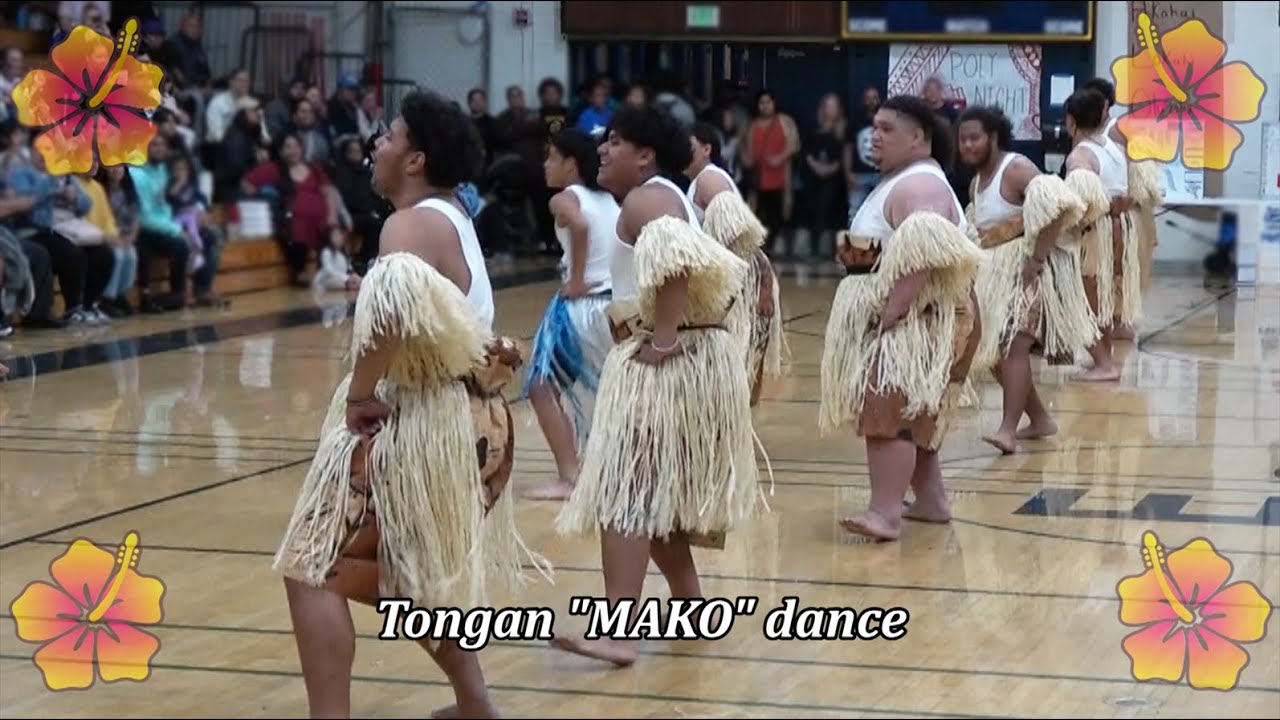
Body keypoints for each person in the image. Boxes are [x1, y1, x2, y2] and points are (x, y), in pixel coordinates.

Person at [271, 89, 551, 720]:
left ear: (417, 157)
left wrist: (361, 393)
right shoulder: (451, 215)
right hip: (471, 418)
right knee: (418, 578)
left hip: (425, 419)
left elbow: (390, 313)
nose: (377, 144)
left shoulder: (409, 222)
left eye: (389, 135)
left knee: (313, 567)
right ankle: (476, 705)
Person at [552, 104, 765, 666]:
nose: (602, 149)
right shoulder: (663, 194)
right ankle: (690, 610)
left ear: (645, 154)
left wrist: (663, 338)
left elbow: (675, 265)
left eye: (615, 141)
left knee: (624, 495)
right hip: (692, 356)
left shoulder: (649, 197)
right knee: (656, 496)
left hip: (671, 359)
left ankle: (619, 632)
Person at [818, 95, 984, 542]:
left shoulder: (920, 187)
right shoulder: (909, 180)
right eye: (874, 126)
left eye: (888, 128)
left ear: (919, 138)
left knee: (887, 411)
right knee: (914, 414)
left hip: (917, 320)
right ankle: (931, 502)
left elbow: (920, 255)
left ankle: (885, 513)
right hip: (923, 318)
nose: (876, 135)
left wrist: (890, 315)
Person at [956, 105, 1096, 455]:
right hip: (996, 274)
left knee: (1012, 347)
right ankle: (1039, 418)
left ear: (993, 137)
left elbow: (1059, 206)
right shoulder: (976, 183)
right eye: (962, 140)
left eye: (974, 138)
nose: (968, 146)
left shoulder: (1015, 168)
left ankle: (1007, 430)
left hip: (1028, 272)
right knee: (992, 353)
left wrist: (1036, 258)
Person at [522, 128, 620, 501]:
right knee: (604, 388)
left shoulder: (564, 199)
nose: (545, 165)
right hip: (612, 306)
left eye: (551, 158)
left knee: (541, 385)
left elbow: (578, 226)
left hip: (582, 308)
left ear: (571, 165)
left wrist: (577, 279)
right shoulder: (611, 200)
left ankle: (570, 476)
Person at [686, 121, 787, 406]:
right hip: (732, 288)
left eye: (689, 146)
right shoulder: (700, 181)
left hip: (743, 291)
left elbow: (746, 242)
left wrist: (763, 288)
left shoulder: (710, 181)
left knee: (737, 385)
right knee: (734, 386)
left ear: (707, 149)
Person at [1061, 88, 1138, 382]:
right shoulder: (1113, 148)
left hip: (1095, 234)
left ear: (1071, 121)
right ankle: (1102, 359)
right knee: (1103, 298)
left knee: (1086, 299)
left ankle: (1104, 364)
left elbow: (1084, 204)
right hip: (1119, 228)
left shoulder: (1081, 156)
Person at [1083, 77, 1162, 319]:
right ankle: (1108, 318)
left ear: (1106, 104)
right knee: (1101, 272)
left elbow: (1141, 175)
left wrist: (1127, 202)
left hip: (1124, 213)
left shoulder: (1119, 129)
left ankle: (1119, 319)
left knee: (1122, 269)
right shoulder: (1089, 133)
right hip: (1102, 217)